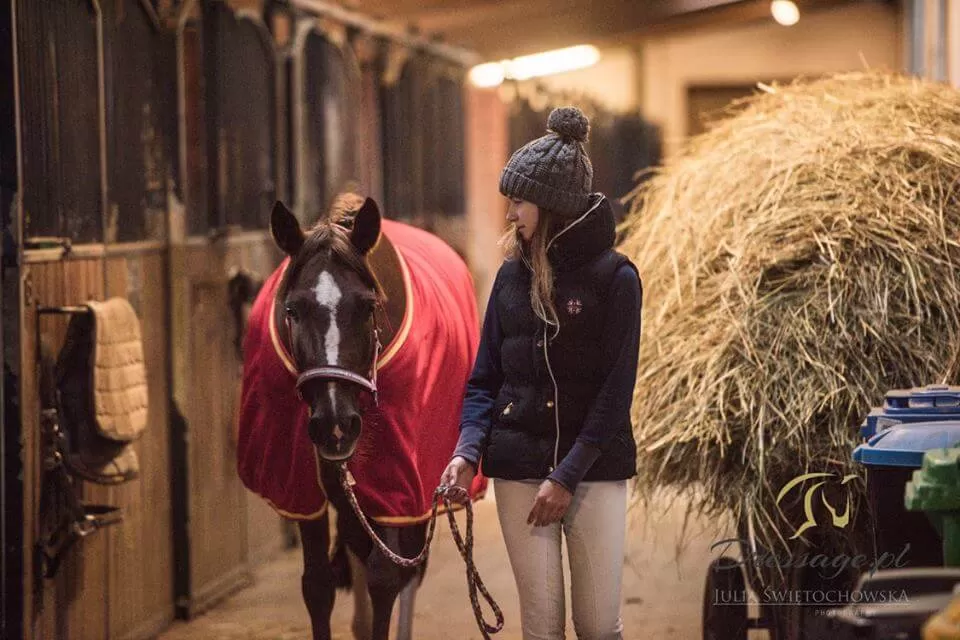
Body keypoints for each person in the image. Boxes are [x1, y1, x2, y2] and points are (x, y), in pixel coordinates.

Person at [440, 105, 643, 640]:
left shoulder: (616, 279)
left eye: (519, 200)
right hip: (518, 466)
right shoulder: (510, 278)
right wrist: (466, 451)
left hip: (593, 470)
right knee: (542, 626)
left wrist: (566, 476)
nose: (509, 212)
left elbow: (615, 391)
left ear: (551, 204)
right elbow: (485, 378)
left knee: (599, 625)